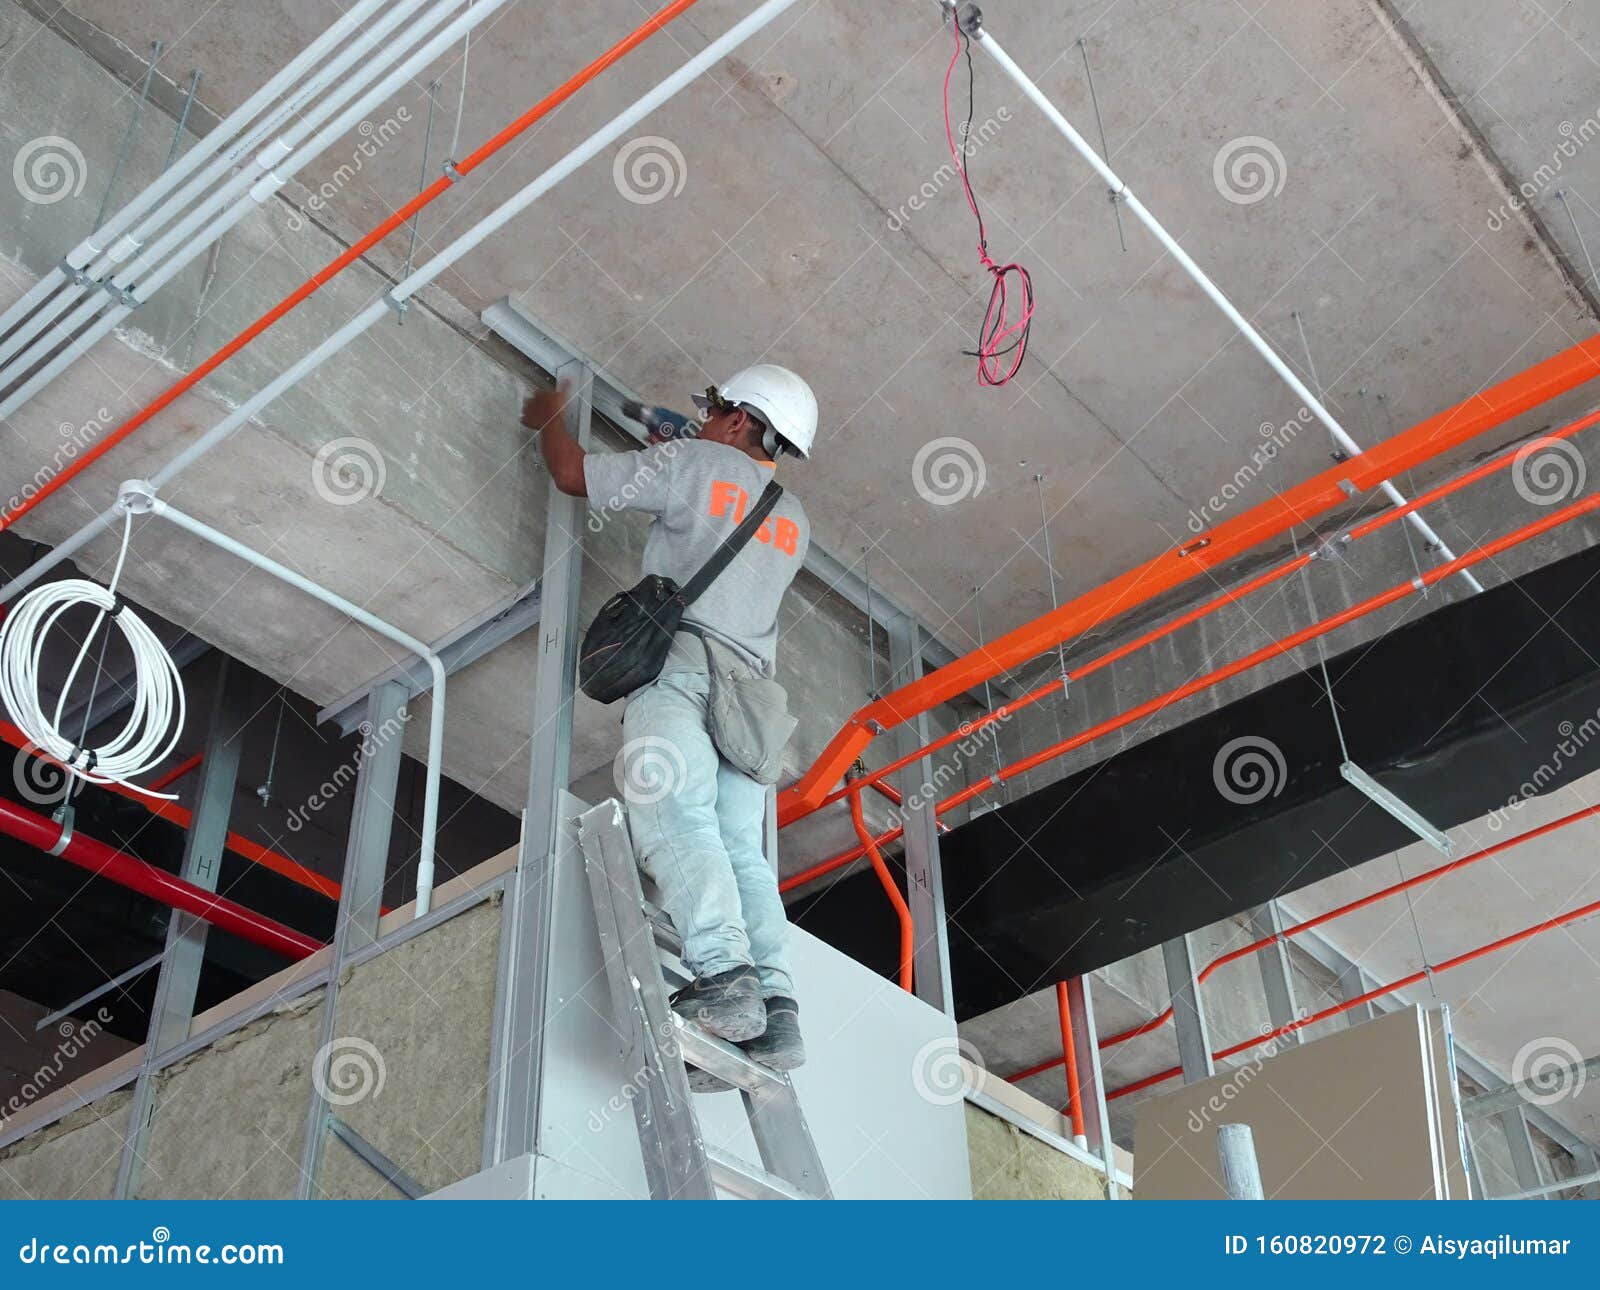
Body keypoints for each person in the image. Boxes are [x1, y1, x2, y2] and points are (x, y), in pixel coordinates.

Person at [523, 364, 816, 1080]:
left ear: (742, 419)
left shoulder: (691, 460)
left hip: (683, 671)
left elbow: (571, 474)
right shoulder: (794, 517)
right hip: (752, 704)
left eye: (716, 409)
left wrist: (549, 419)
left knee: (675, 814)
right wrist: (684, 451)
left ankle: (723, 979)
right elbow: (723, 497)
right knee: (743, 851)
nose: (706, 419)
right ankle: (776, 1010)